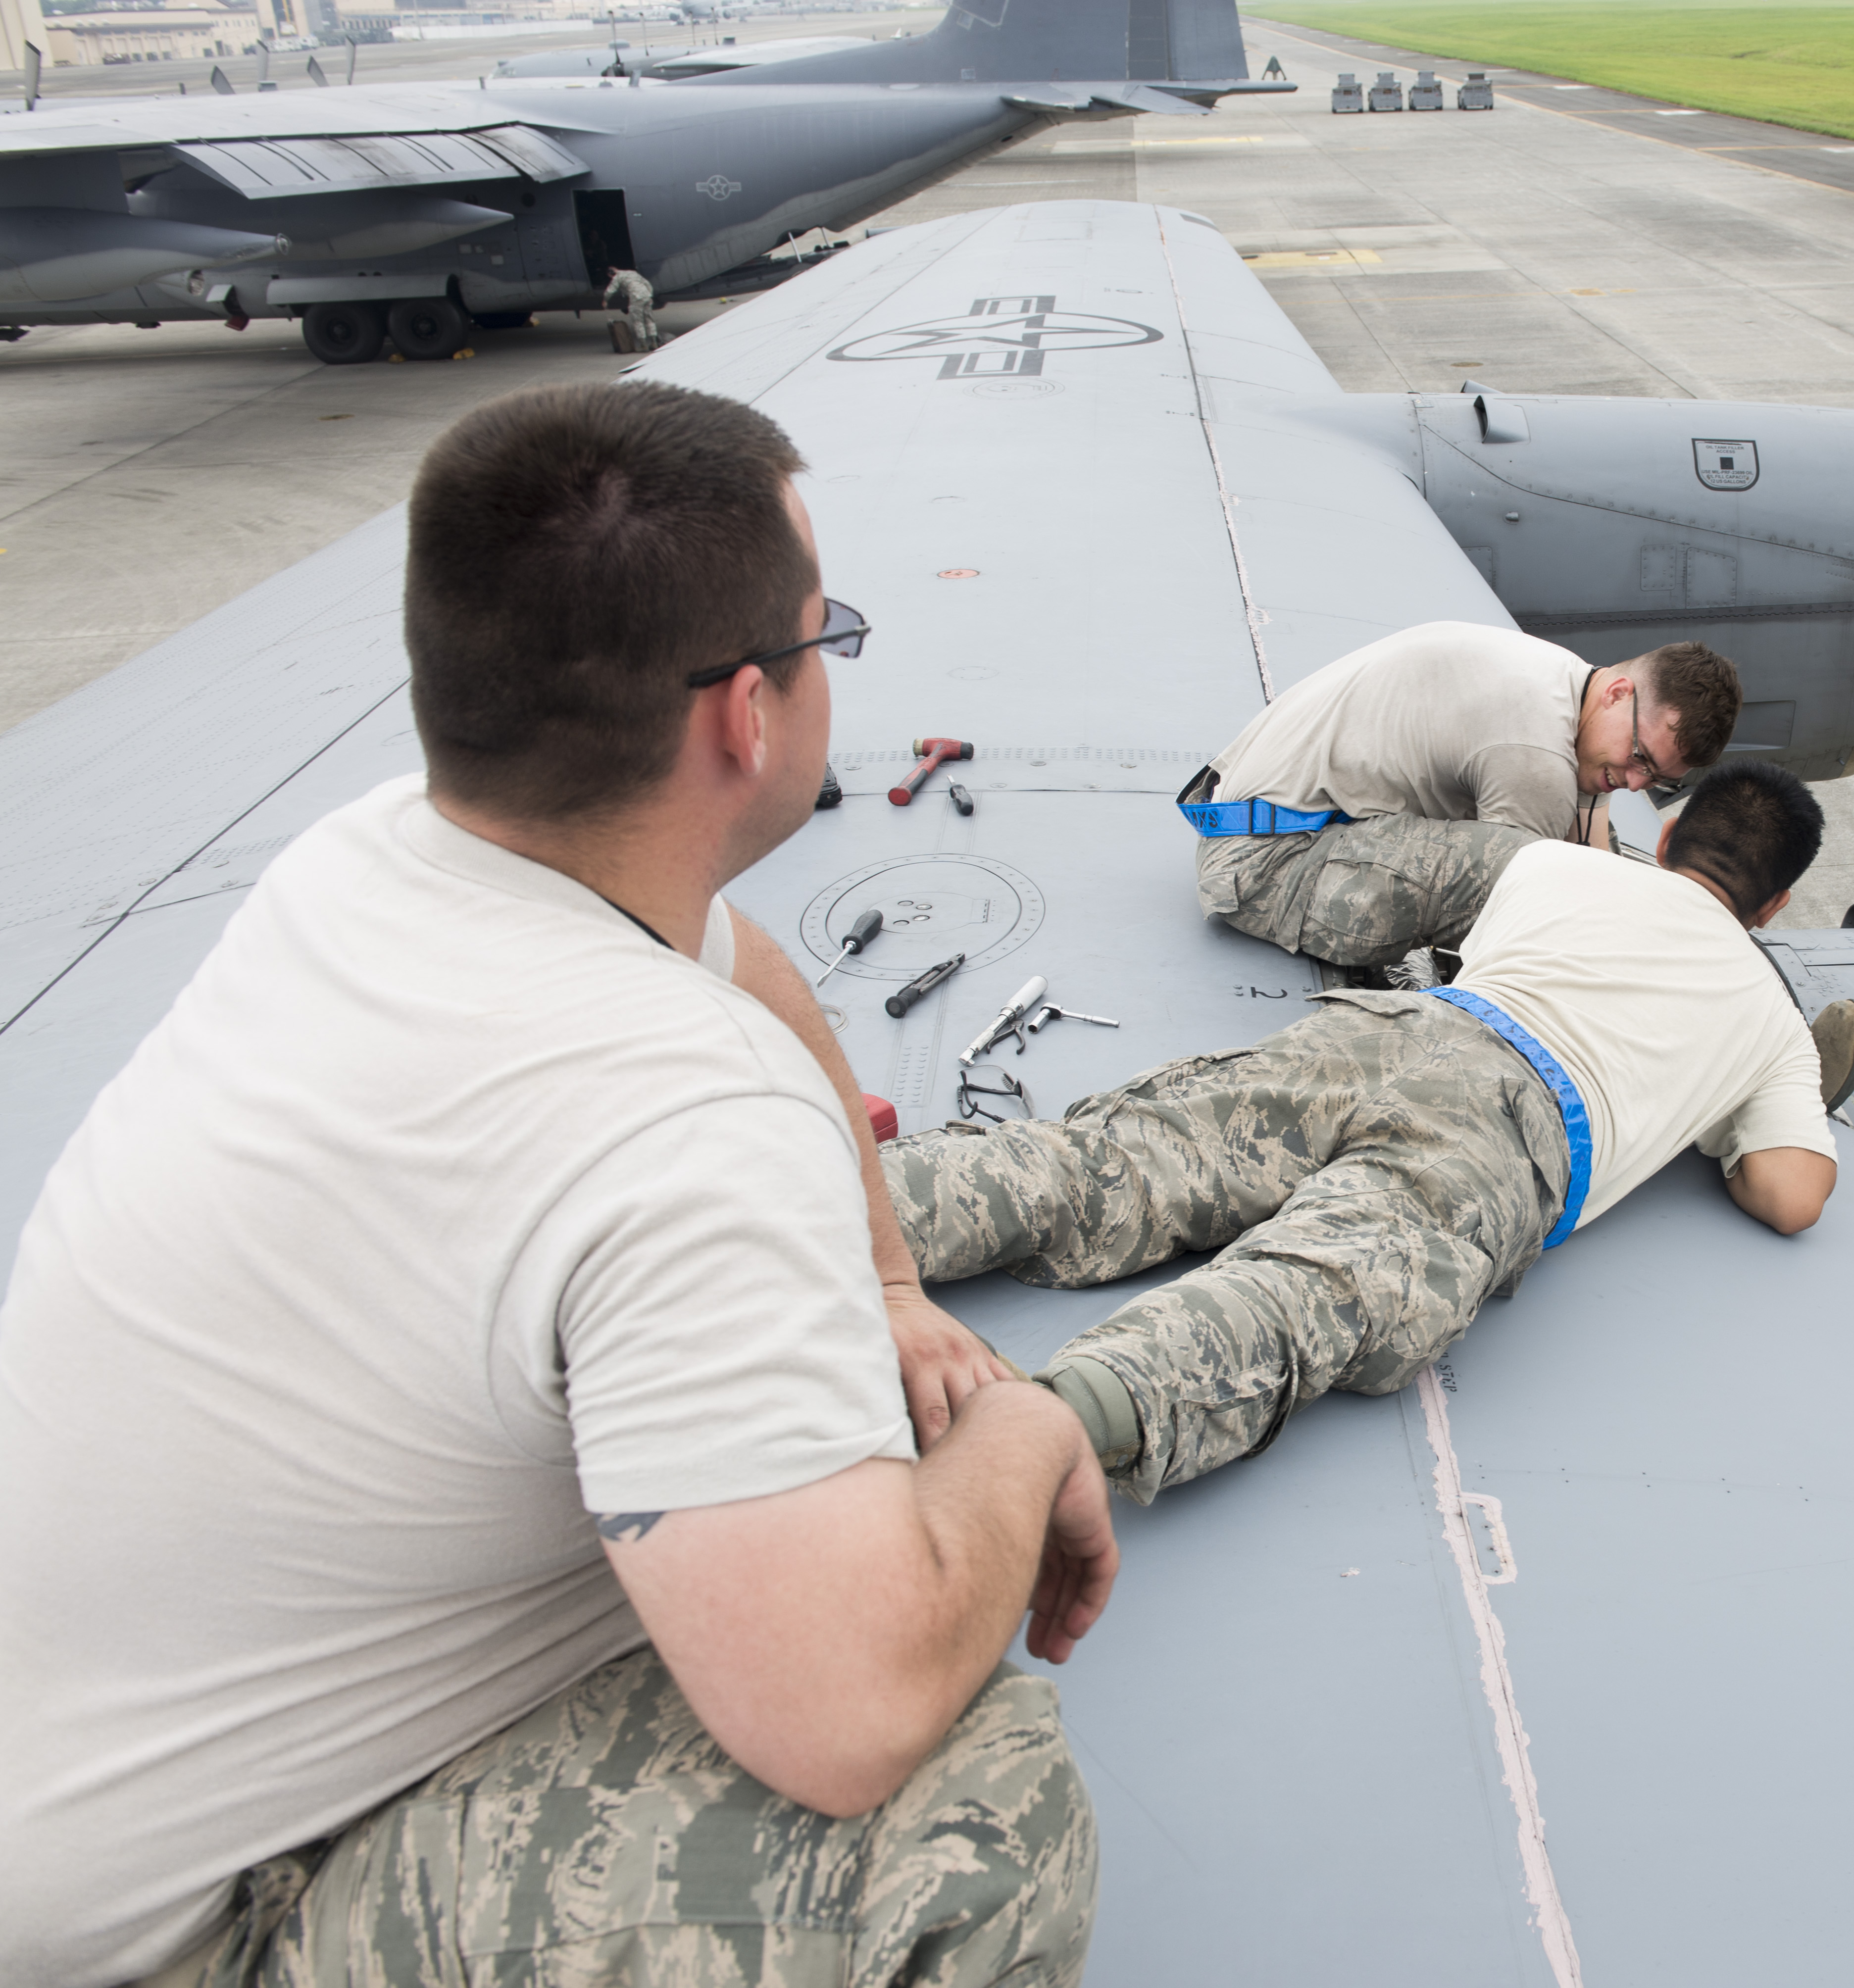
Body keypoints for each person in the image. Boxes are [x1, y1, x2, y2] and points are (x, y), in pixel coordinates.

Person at [0, 382, 1116, 1988]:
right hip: (176, 1931)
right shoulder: (680, 1114)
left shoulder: (381, 859)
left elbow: (746, 962)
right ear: (746, 718)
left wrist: (883, 1279)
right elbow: (850, 1712)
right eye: (829, 639)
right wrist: (1029, 1435)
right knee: (970, 1807)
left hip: (100, 1786)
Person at [888, 761, 1845, 1505]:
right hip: (1511, 1131)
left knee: (1115, 1161)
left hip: (1393, 1031)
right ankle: (1043, 1432)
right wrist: (1730, 1104)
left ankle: (850, 1212)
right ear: (1775, 907)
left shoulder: (1553, 864)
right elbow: (1791, 1196)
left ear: (1669, 836)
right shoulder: (1767, 1016)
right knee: (1305, 1290)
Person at [1179, 620, 1742, 973]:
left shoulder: (1565, 682)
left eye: (1659, 780)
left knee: (1581, 859)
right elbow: (1535, 905)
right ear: (1619, 693)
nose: (1638, 783)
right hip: (1264, 867)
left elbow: (1593, 844)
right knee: (1536, 872)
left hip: (1261, 819)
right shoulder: (1535, 753)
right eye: (1640, 758)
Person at [603, 264, 659, 351]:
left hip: (636, 298)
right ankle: (654, 343)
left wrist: (605, 300)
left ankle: (643, 346)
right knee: (649, 320)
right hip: (647, 296)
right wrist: (650, 295)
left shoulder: (617, 277)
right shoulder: (632, 273)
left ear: (610, 274)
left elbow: (610, 291)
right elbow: (646, 283)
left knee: (638, 321)